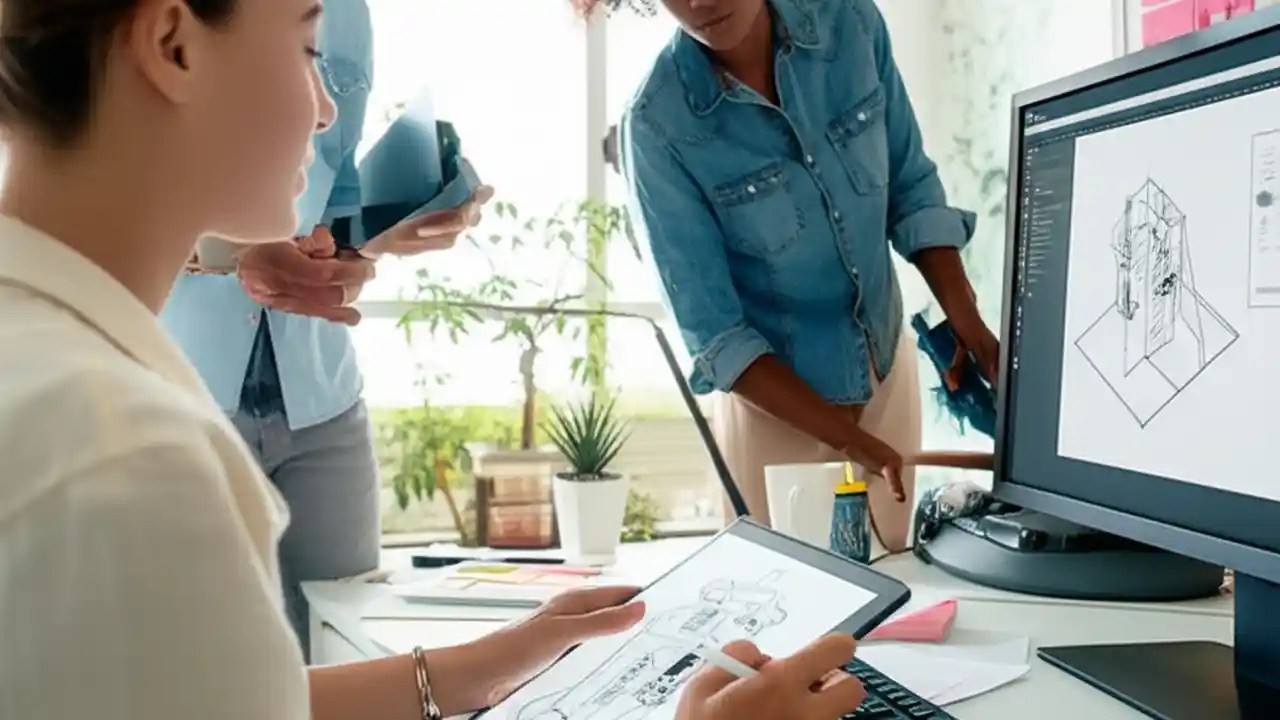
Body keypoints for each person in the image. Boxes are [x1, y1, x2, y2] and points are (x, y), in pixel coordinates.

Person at [0, 1, 867, 717]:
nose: (328, 109)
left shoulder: (42, 363)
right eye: (307, 45)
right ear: (172, 44)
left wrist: (488, 661)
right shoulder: (124, 458)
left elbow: (208, 703)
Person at [158, 0, 491, 658]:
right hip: (179, 392)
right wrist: (229, 249)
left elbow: (330, 209)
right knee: (207, 660)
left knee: (343, 640)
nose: (322, 109)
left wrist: (371, 244)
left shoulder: (348, 14)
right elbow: (106, 179)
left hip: (322, 399)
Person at [612, 0, 999, 549]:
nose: (698, 3)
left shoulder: (851, 23)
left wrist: (970, 324)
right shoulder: (656, 127)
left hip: (885, 372)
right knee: (789, 617)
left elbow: (911, 189)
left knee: (902, 601)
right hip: (776, 418)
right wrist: (852, 442)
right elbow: (718, 339)